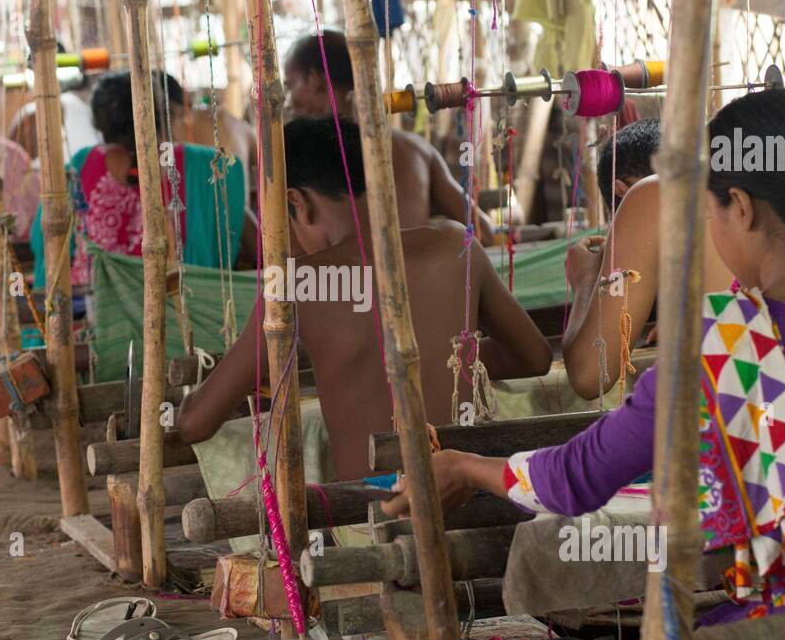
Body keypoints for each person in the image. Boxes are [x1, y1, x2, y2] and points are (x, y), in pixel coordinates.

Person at [387, 88, 785, 640]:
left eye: (708, 211)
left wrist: (466, 467)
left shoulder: (722, 351)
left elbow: (571, 479)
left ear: (739, 207)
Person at [177, 116, 551, 482]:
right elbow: (534, 356)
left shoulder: (297, 283)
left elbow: (195, 424)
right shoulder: (457, 246)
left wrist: (184, 401)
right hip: (471, 492)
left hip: (373, 516)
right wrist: (440, 359)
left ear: (297, 202)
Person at [564, 115, 785, 401]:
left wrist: (586, 280)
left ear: (621, 192)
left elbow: (592, 374)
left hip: (779, 438)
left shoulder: (652, 196)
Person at [29, 70, 254, 288]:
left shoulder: (80, 167)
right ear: (160, 115)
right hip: (182, 314)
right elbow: (250, 232)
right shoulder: (203, 166)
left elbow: (46, 242)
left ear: (100, 123)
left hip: (94, 316)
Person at [283, 31, 496, 246]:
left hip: (345, 279)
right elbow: (483, 231)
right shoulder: (416, 150)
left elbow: (282, 253)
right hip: (418, 278)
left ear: (314, 79)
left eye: (291, 85)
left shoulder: (300, 160)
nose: (289, 102)